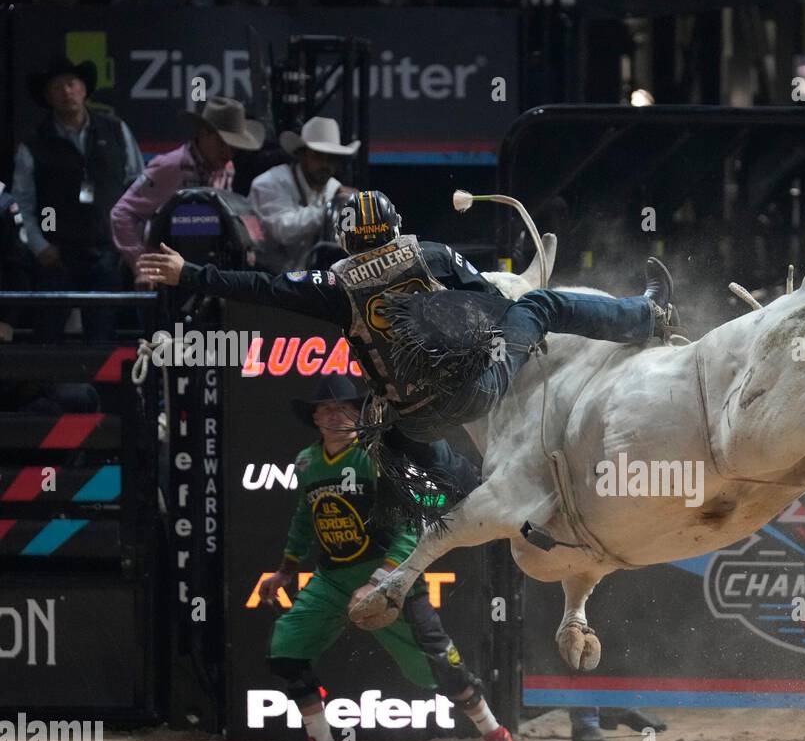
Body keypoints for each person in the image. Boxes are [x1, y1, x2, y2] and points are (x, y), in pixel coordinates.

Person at [137, 189, 680, 521]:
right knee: (537, 304)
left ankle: (467, 502)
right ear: (394, 229)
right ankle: (647, 317)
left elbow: (263, 287)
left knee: (392, 434)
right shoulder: (434, 255)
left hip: (414, 419)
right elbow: (492, 307)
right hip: (477, 390)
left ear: (347, 240)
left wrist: (192, 273)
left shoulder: (332, 284)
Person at [260, 374, 527, 741]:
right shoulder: (307, 462)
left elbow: (409, 524)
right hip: (332, 579)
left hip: (391, 578)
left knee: (442, 668)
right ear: (315, 417)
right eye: (327, 408)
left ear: (360, 415)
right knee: (285, 650)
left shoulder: (376, 457)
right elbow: (304, 519)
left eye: (345, 408)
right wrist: (286, 569)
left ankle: (496, 735)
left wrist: (384, 581)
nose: (336, 415)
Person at [12, 54, 144, 344]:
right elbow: (22, 205)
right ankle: (43, 389)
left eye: (71, 84)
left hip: (107, 254)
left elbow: (137, 187)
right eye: (57, 87)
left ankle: (103, 390)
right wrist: (39, 246)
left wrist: (130, 243)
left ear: (84, 89)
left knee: (104, 340)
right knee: (47, 341)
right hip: (57, 258)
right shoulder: (34, 143)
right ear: (48, 97)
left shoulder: (115, 130)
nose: (66, 92)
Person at [111, 96, 264, 285]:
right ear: (203, 134)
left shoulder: (227, 168)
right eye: (222, 143)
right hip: (164, 275)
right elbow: (122, 214)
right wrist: (142, 265)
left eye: (234, 146)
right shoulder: (170, 166)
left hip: (204, 273)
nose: (228, 152)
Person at [250, 116, 357, 271]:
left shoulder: (334, 187)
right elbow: (283, 230)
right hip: (266, 280)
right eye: (318, 156)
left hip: (310, 281)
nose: (325, 165)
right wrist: (332, 207)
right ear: (302, 155)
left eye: (331, 158)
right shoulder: (269, 183)